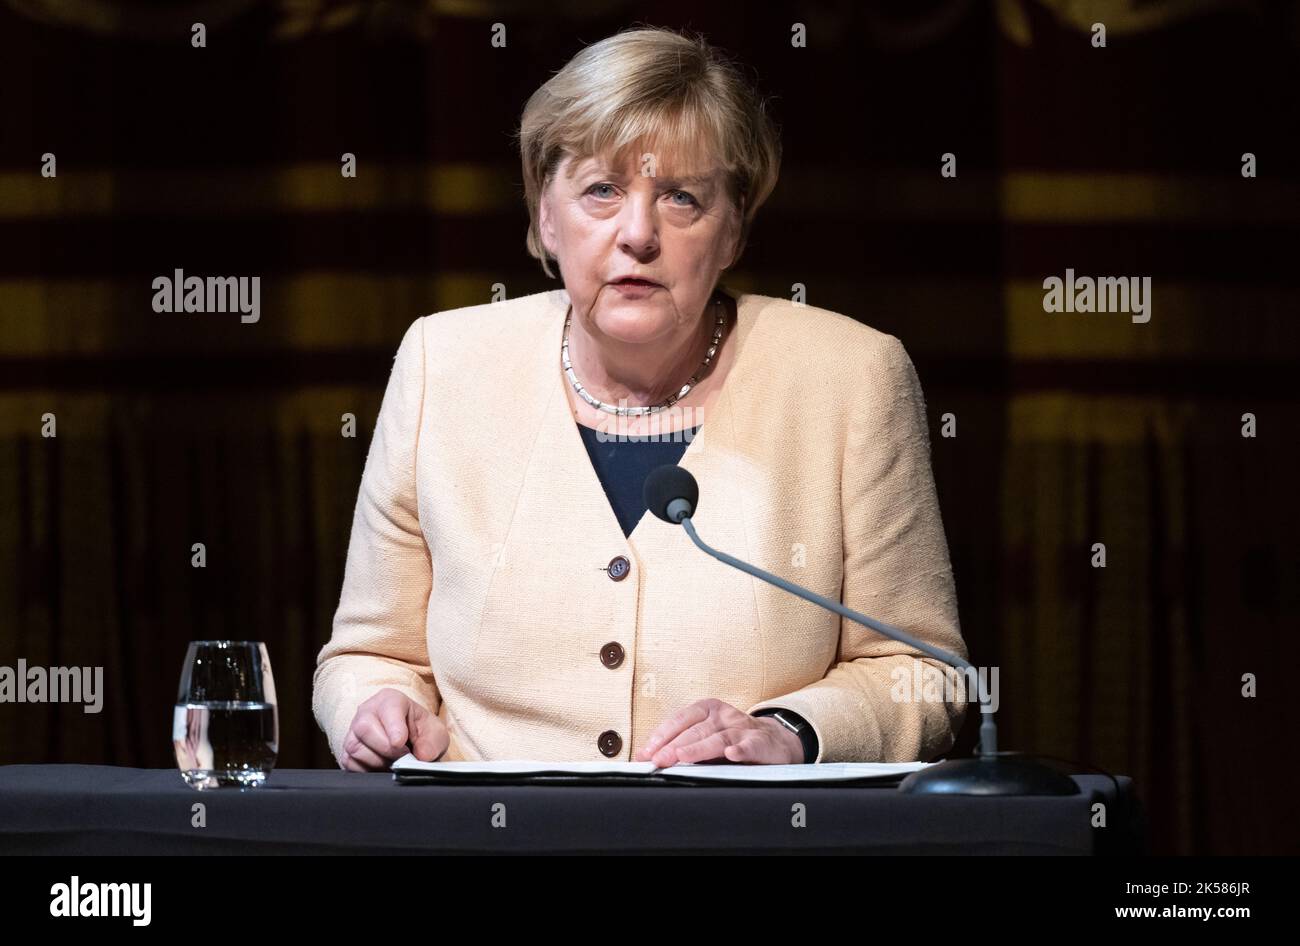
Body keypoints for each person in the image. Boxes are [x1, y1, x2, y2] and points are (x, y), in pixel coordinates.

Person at [312, 25, 969, 771]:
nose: (637, 235)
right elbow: (367, 654)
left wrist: (790, 730)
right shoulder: (443, 363)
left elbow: (922, 672)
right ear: (545, 216)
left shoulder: (851, 377)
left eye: (682, 198)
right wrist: (371, 710)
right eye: (601, 191)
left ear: (735, 230)